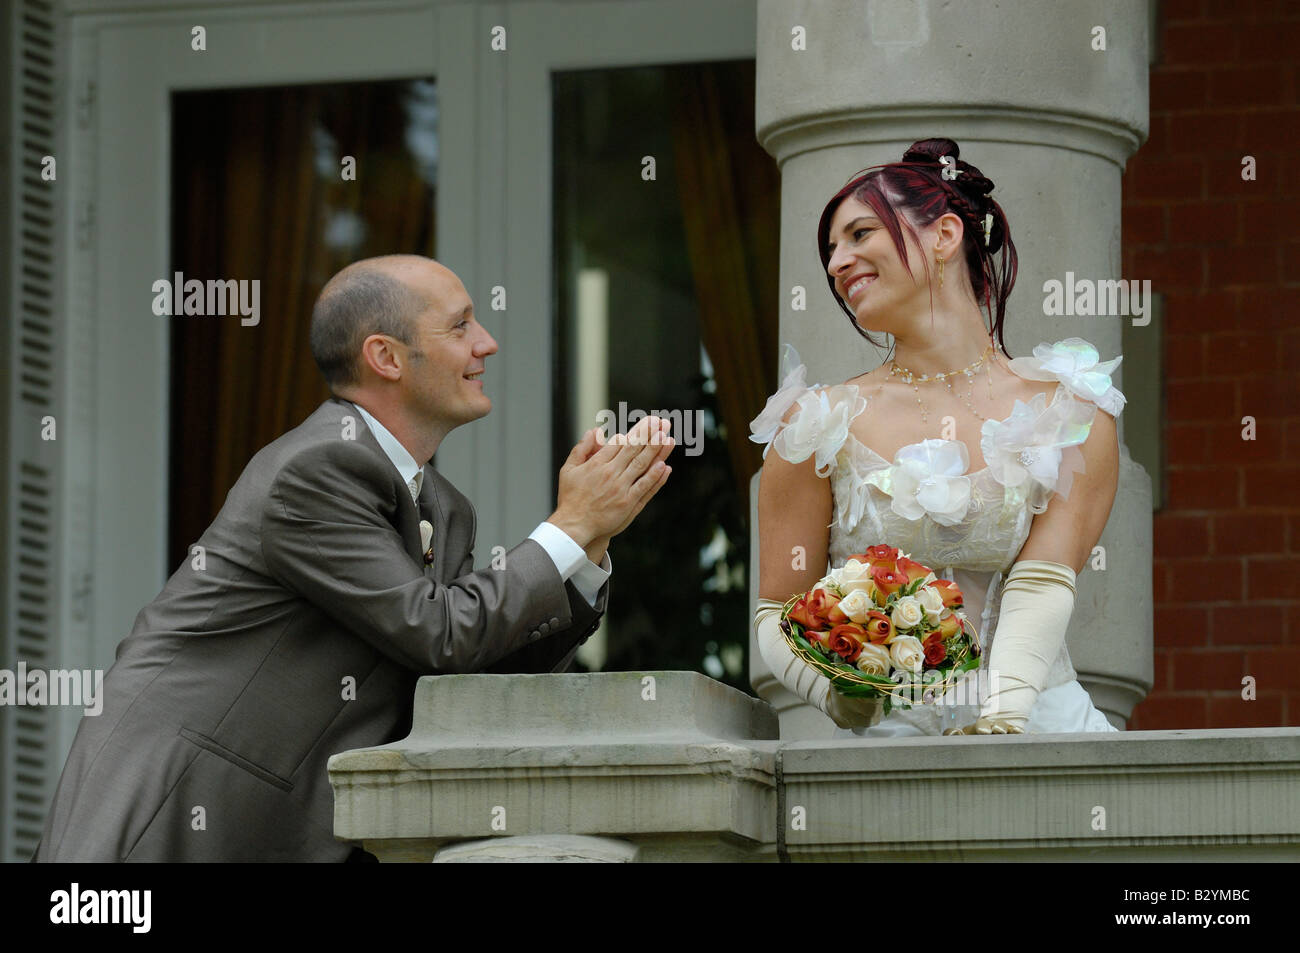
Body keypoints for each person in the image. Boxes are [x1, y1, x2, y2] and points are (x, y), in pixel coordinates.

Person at [34, 254, 674, 861]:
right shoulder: (315, 470)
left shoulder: (444, 506)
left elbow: (463, 673)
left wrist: (589, 544)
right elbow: (439, 631)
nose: (487, 343)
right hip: (169, 815)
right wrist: (567, 525)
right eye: (460, 325)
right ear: (386, 357)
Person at [750, 138, 1121, 737]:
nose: (836, 263)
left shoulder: (1069, 411)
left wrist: (1003, 721)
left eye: (860, 234)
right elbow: (777, 613)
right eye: (830, 250)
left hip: (1047, 729)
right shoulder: (813, 425)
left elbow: (1042, 582)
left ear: (945, 237)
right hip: (897, 749)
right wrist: (837, 694)